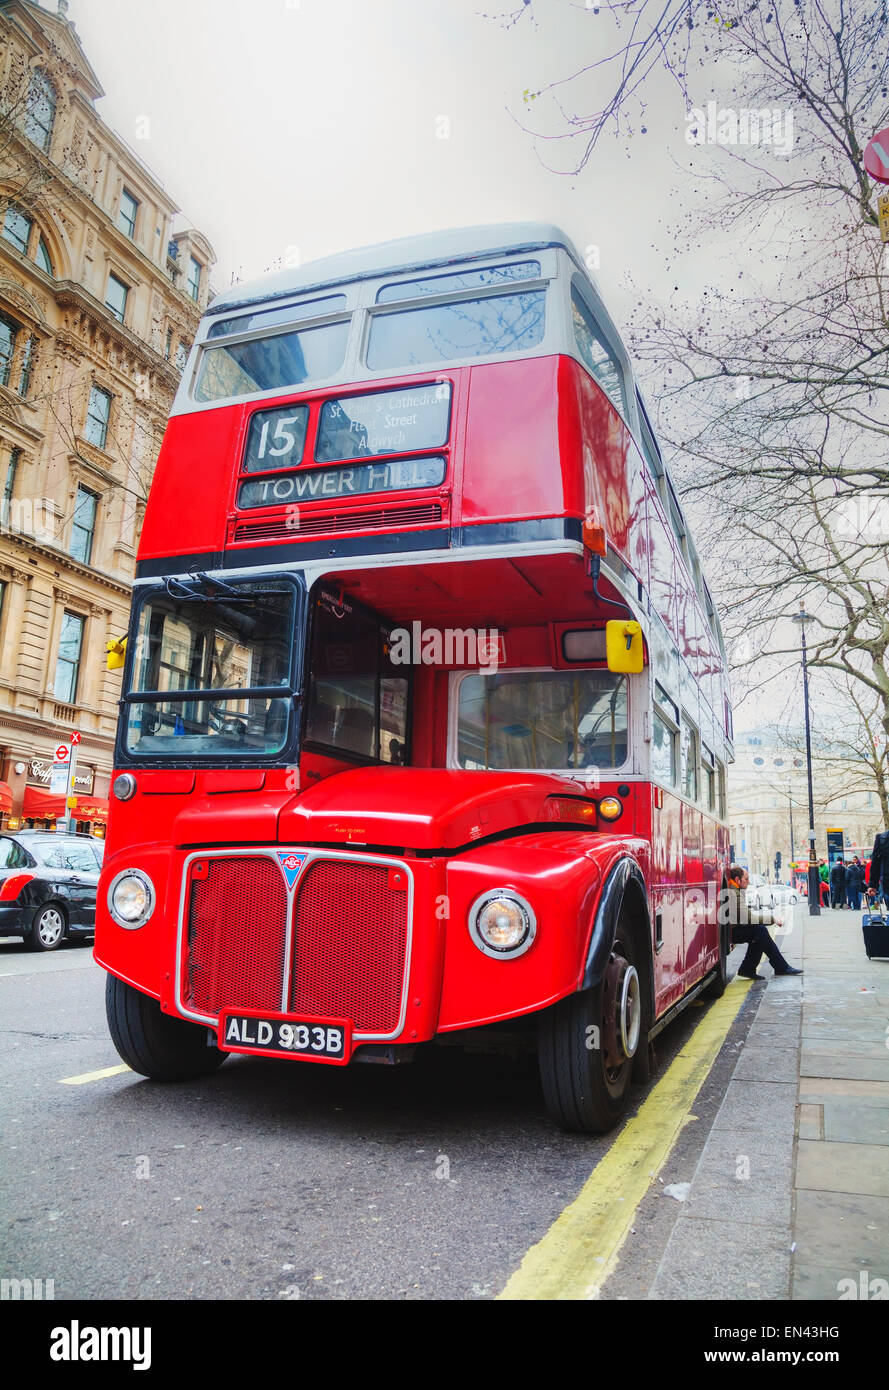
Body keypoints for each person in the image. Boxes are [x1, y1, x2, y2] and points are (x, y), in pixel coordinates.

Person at [724, 864, 802, 980]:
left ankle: (749, 969)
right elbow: (748, 918)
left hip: (732, 929)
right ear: (737, 879)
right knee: (759, 931)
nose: (748, 882)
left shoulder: (735, 889)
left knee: (759, 932)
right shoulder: (733, 892)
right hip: (730, 932)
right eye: (746, 879)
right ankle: (779, 967)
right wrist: (772, 919)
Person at [869, 829, 889, 909]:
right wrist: (873, 885)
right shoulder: (882, 839)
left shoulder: (882, 838)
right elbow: (875, 863)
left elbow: (875, 863)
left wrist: (873, 885)